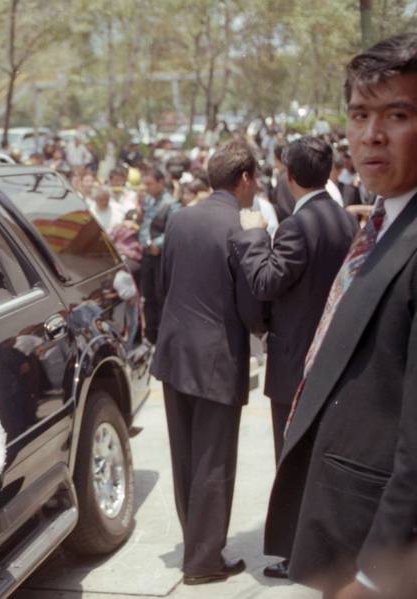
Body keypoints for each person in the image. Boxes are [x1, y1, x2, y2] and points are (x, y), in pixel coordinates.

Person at [265, 33, 417, 598]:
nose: (371, 134)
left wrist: (379, 575)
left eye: (397, 114)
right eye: (359, 114)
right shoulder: (380, 221)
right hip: (341, 521)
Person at [150, 139, 266, 586]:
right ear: (243, 179)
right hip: (217, 356)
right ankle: (203, 561)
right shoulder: (242, 227)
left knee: (185, 457)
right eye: (254, 180)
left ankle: (196, 545)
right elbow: (252, 306)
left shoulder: (180, 220)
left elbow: (164, 285)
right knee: (214, 461)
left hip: (176, 350)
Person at [229, 136, 357, 474]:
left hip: (295, 364)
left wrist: (255, 237)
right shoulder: (346, 220)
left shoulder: (296, 226)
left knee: (292, 465)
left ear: (289, 176)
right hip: (336, 358)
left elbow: (265, 283)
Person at [138, 168, 180, 344]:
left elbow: (174, 231)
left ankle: (164, 337)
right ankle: (150, 334)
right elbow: (144, 226)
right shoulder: (148, 201)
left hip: (161, 258)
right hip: (147, 255)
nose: (147, 187)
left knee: (161, 295)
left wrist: (158, 245)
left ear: (161, 182)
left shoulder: (171, 204)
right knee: (148, 296)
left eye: (150, 184)